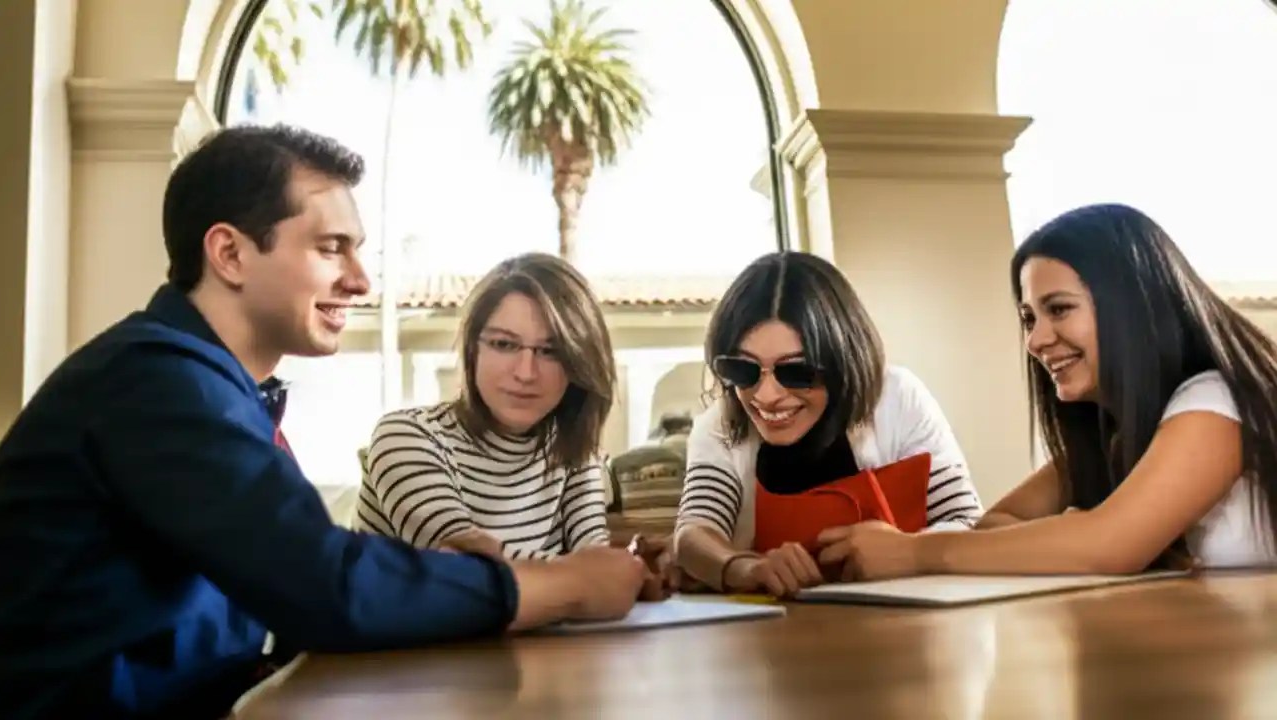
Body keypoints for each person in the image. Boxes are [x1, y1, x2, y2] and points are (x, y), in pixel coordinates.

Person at [0, 125, 647, 720]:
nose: (361, 280)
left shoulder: (216, 391)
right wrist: (567, 586)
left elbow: (278, 598)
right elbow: (321, 585)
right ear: (229, 253)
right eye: (332, 248)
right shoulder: (155, 382)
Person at [821, 203, 1277, 581]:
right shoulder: (1114, 434)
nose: (1035, 341)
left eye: (1058, 309)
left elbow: (1109, 546)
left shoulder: (1216, 401)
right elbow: (996, 522)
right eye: (1029, 318)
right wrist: (1075, 533)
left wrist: (915, 552)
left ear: (1132, 307)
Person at [674, 251, 983, 597]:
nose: (767, 395)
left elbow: (966, 522)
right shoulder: (721, 423)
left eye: (797, 371)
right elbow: (694, 534)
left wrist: (907, 552)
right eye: (742, 370)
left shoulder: (898, 399)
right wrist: (744, 568)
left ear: (843, 362)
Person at [357, 253, 616, 560]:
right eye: (504, 345)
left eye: (551, 352)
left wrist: (638, 566)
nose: (525, 373)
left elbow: (595, 554)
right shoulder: (406, 437)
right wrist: (598, 572)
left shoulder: (573, 451)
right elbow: (465, 563)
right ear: (472, 350)